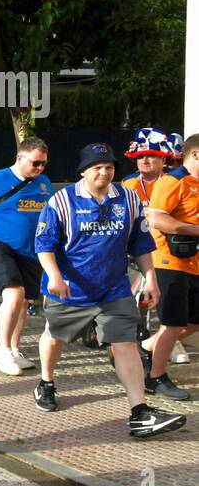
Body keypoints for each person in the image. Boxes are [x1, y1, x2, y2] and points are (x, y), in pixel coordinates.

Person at [33, 143, 184, 438]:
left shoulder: (128, 199)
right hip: (69, 289)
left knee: (125, 342)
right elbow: (44, 244)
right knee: (55, 337)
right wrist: (54, 276)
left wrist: (150, 278)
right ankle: (46, 382)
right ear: (83, 172)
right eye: (97, 168)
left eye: (110, 167)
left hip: (113, 289)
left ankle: (139, 412)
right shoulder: (62, 201)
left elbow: (140, 245)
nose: (104, 172)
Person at [0, 138, 53, 376]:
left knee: (24, 302)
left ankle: (14, 348)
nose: (40, 168)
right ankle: (2, 349)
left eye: (44, 164)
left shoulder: (44, 182)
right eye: (35, 163)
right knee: (14, 295)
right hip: (1, 246)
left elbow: (49, 214)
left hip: (32, 250)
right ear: (20, 158)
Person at [140, 133, 199, 400]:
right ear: (195, 154)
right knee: (173, 324)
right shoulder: (173, 180)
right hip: (169, 261)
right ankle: (155, 378)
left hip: (194, 263)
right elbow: (156, 220)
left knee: (194, 321)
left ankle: (147, 346)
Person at [122, 127, 180, 356]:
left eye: (151, 155)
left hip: (168, 249)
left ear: (163, 158)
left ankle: (169, 338)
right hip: (135, 247)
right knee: (134, 292)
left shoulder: (174, 182)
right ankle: (137, 330)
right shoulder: (128, 183)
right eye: (140, 156)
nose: (145, 160)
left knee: (166, 296)